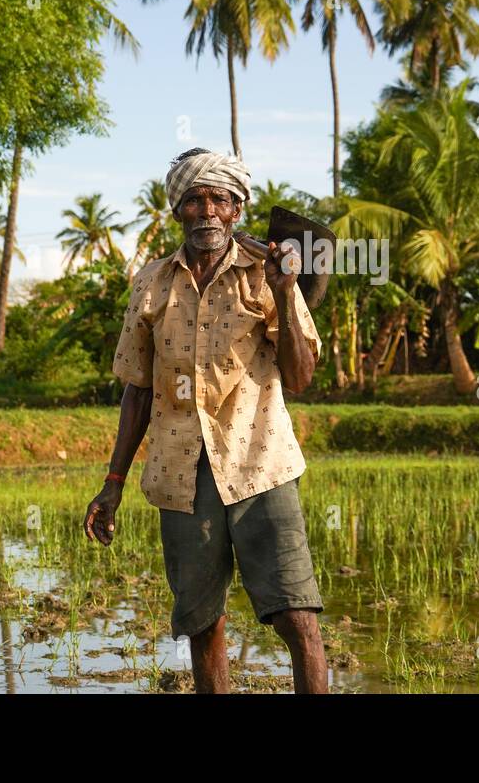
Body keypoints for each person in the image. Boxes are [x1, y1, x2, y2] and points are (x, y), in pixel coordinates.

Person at [84, 147, 328, 693]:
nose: (207, 211)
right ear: (178, 210)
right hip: (181, 474)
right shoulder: (150, 284)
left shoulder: (266, 276)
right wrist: (113, 483)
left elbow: (300, 375)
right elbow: (137, 391)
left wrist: (286, 293)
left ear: (237, 209)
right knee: (202, 623)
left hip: (260, 465)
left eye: (220, 199)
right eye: (195, 200)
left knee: (297, 617)